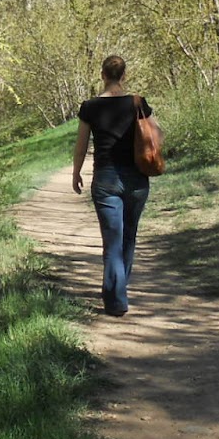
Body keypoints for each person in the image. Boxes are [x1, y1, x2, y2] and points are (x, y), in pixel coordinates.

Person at [72, 55, 155, 317]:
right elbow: (154, 135)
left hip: (106, 179)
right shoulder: (138, 103)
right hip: (137, 179)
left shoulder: (90, 107)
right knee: (128, 238)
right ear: (124, 75)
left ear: (102, 74)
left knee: (112, 241)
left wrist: (76, 173)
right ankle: (119, 293)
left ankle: (116, 300)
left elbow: (81, 145)